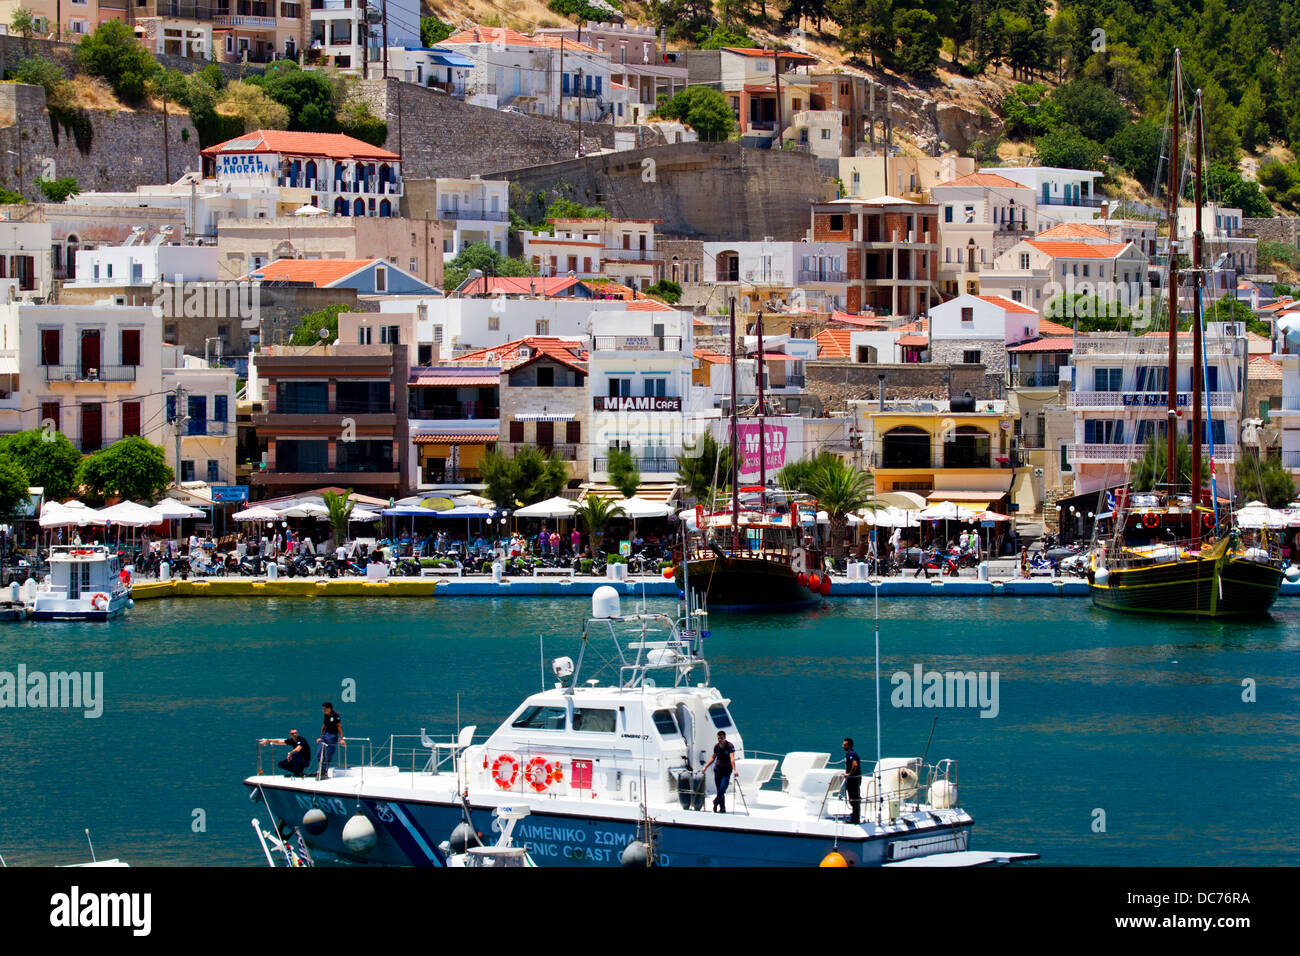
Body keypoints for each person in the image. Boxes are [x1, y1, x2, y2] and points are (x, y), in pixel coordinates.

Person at [700, 730, 738, 812]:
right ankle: (722, 808)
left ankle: (715, 802)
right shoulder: (716, 747)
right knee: (719, 789)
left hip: (726, 771)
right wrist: (705, 767)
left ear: (724, 738)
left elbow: (732, 758)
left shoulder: (730, 746)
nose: (720, 740)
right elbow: (713, 757)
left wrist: (734, 770)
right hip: (717, 770)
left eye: (721, 738)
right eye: (718, 738)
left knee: (722, 788)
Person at [318, 701, 343, 778]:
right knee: (319, 752)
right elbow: (324, 725)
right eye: (323, 709)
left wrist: (341, 739)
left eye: (325, 709)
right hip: (325, 735)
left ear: (329, 708)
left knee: (328, 754)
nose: (323, 710)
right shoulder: (326, 715)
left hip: (332, 735)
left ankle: (324, 771)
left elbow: (339, 727)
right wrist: (321, 736)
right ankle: (320, 769)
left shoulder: (336, 716)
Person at [842, 737, 862, 824]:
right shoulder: (850, 753)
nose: (843, 746)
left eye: (845, 745)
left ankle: (855, 818)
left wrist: (849, 774)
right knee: (854, 798)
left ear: (850, 745)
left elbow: (855, 764)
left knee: (853, 798)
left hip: (853, 779)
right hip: (855, 779)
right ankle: (855, 815)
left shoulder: (851, 754)